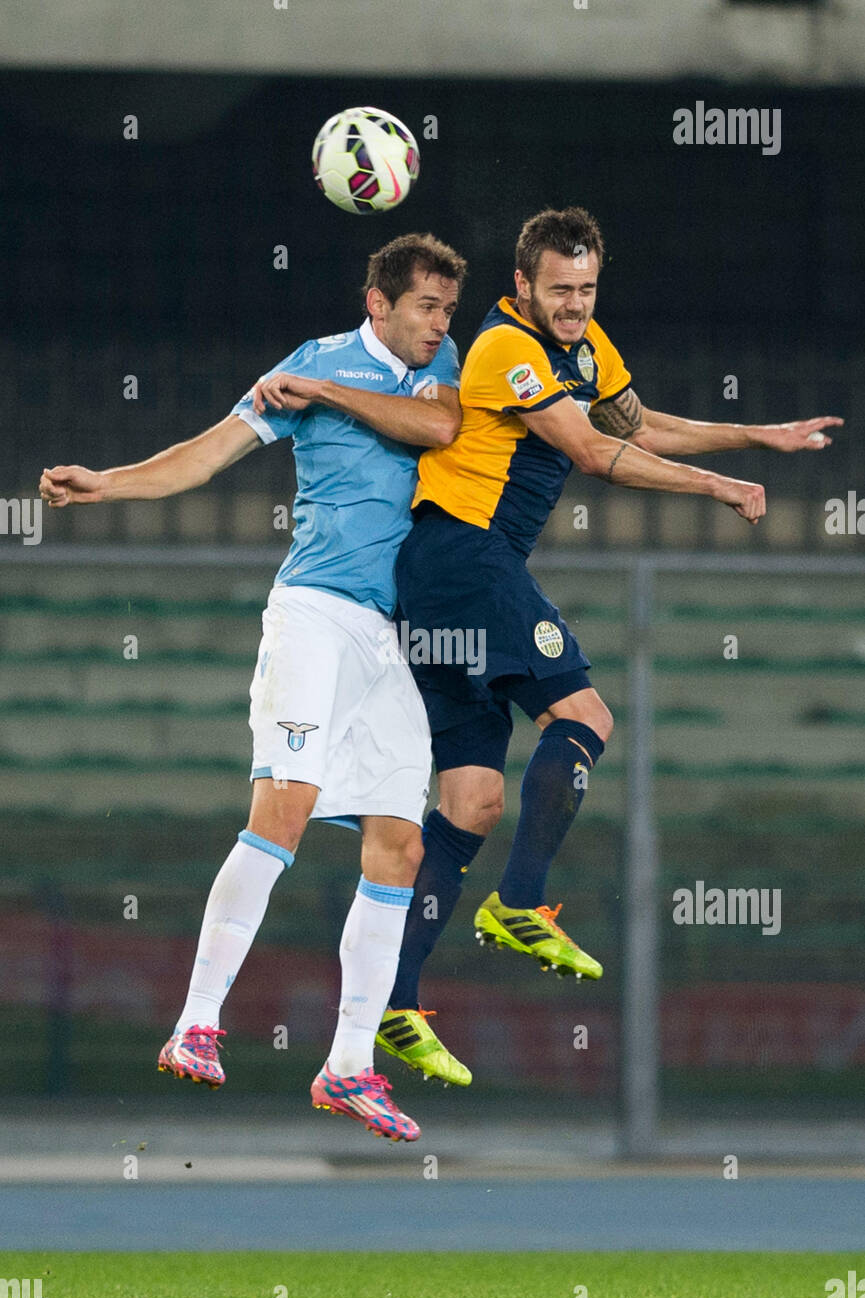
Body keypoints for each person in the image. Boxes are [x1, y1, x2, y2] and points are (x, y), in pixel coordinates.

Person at [376, 206, 843, 1085]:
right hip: (463, 560)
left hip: (440, 585)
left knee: (471, 800)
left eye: (587, 289)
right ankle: (517, 905)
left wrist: (756, 436)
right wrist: (713, 486)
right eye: (559, 290)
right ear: (521, 285)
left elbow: (631, 422)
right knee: (585, 717)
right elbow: (592, 452)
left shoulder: (584, 350)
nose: (574, 305)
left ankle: (391, 1002)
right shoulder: (502, 348)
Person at [38, 232, 467, 1142]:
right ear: (377, 302)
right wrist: (105, 485)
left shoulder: (428, 372)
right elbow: (205, 454)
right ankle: (196, 1020)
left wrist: (327, 396)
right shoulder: (309, 365)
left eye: (447, 311)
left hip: (392, 639)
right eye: (426, 308)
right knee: (287, 804)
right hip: (314, 614)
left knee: (400, 844)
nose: (439, 325)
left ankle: (349, 1067)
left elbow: (439, 428)